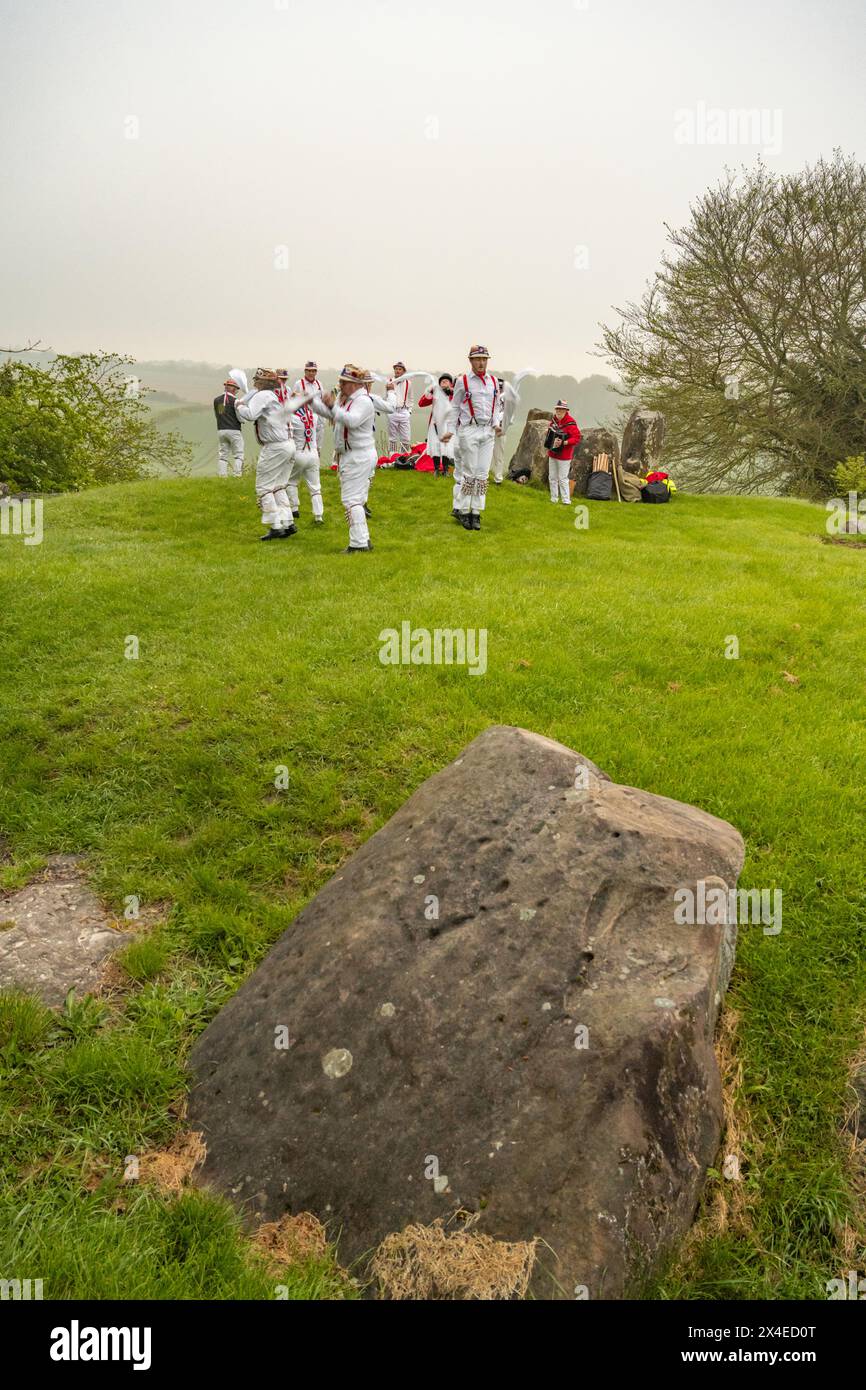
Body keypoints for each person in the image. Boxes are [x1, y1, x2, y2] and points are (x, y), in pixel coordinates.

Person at [235, 368, 313, 541]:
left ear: (261, 382)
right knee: (278, 485)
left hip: (275, 447)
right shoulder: (272, 397)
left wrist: (239, 406)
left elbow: (250, 415)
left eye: (256, 380)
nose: (254, 383)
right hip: (288, 444)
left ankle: (276, 526)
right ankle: (288, 522)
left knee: (264, 487)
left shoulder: (262, 396)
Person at [312, 365, 377, 553]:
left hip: (358, 454)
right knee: (353, 499)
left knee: (351, 500)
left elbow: (352, 420)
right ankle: (363, 539)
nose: (340, 385)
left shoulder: (363, 401)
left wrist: (331, 405)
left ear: (355, 384)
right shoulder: (349, 399)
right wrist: (310, 403)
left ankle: (358, 544)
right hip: (353, 454)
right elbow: (334, 414)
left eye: (344, 382)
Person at [441, 345, 502, 531]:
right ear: (471, 361)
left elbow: (497, 405)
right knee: (469, 472)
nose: (481, 362)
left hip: (488, 431)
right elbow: (455, 407)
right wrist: (451, 429)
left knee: (482, 473)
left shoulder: (493, 381)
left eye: (484, 359)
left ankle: (476, 512)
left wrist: (496, 423)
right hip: (469, 430)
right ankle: (464, 511)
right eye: (478, 359)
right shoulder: (463, 381)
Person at [287, 392, 325, 524]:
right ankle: (319, 515)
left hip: (298, 452)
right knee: (315, 487)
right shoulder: (313, 416)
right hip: (313, 452)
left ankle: (294, 508)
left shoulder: (291, 417)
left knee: (291, 481)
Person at [417, 374, 455, 477]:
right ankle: (437, 469)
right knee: (435, 445)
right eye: (442, 381)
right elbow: (421, 403)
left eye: (447, 381)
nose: (444, 382)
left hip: (448, 424)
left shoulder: (453, 394)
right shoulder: (435, 394)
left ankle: (446, 469)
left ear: (451, 384)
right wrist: (429, 391)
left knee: (447, 447)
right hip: (434, 424)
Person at [546, 399, 582, 504]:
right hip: (552, 453)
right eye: (557, 409)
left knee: (562, 478)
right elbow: (550, 430)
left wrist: (564, 442)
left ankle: (566, 500)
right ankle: (554, 499)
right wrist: (548, 434)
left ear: (566, 410)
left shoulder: (571, 423)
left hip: (564, 456)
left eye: (561, 409)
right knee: (552, 477)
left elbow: (577, 438)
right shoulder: (553, 420)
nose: (559, 411)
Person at [213, 378, 245, 478]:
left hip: (221, 429)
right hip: (234, 430)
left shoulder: (217, 400)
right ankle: (237, 475)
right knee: (239, 454)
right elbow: (240, 418)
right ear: (233, 389)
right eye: (236, 389)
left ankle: (222, 476)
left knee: (223, 455)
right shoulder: (236, 401)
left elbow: (221, 413)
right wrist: (244, 420)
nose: (236, 391)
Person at [491, 376, 518, 484]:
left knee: (499, 455)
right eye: (498, 387)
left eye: (501, 387)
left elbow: (510, 417)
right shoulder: (490, 398)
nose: (500, 389)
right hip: (488, 429)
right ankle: (482, 476)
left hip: (500, 431)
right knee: (485, 454)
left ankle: (498, 479)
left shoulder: (508, 401)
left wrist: (503, 427)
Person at [387, 360, 413, 453]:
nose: (397, 371)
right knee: (392, 438)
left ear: (403, 371)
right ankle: (393, 458)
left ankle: (403, 457)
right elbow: (385, 396)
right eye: (396, 369)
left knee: (405, 437)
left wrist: (409, 411)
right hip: (392, 411)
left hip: (404, 411)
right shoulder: (389, 381)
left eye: (400, 369)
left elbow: (411, 398)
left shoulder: (408, 383)